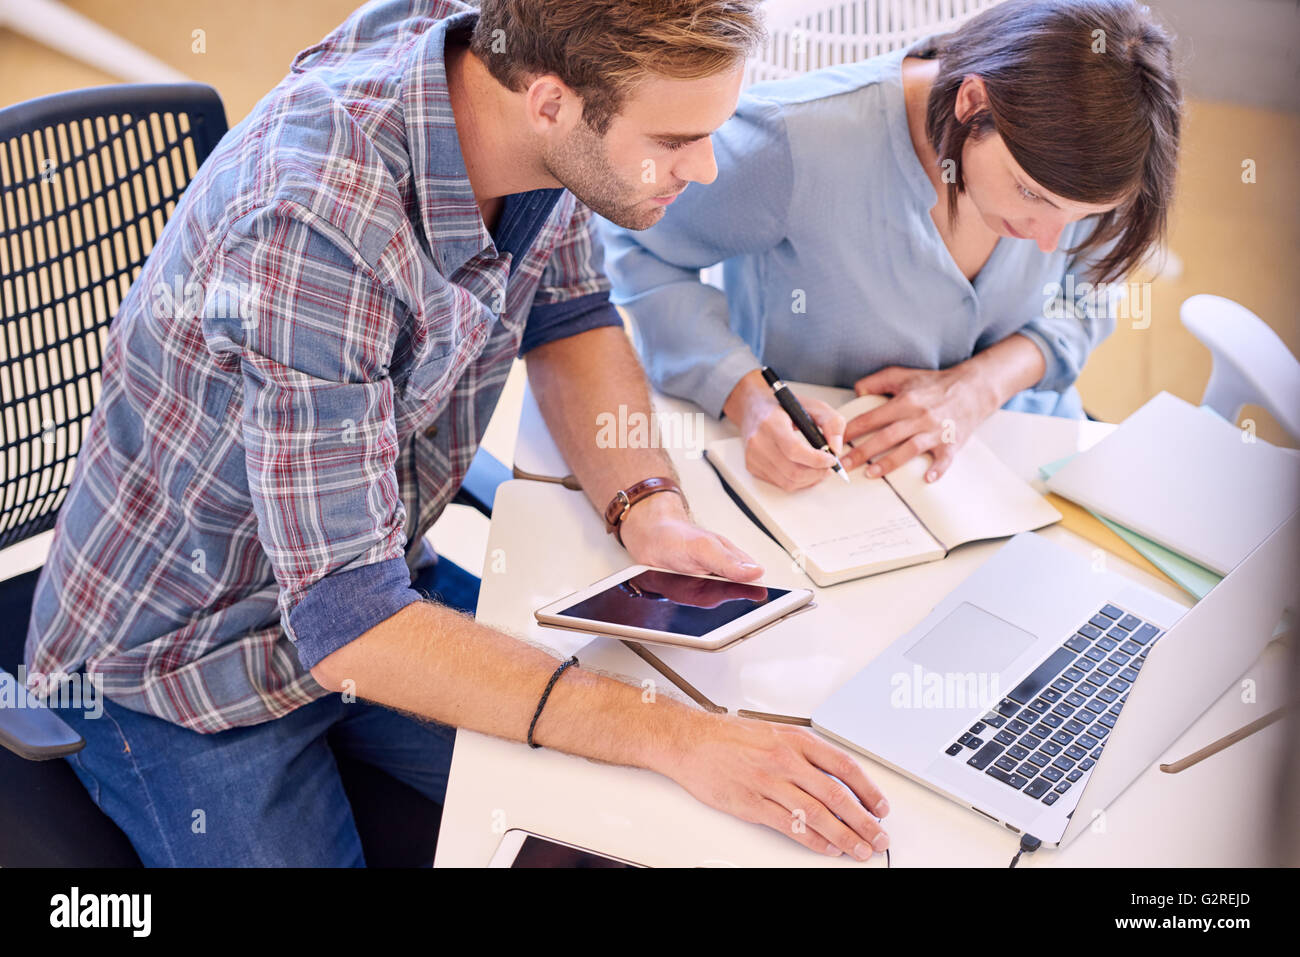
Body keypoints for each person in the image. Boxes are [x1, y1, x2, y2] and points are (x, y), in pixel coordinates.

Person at [24, 0, 892, 865]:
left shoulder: (504, 68)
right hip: (183, 665)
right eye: (671, 142)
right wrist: (671, 736)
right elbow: (349, 624)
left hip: (376, 585)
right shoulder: (312, 227)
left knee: (648, 830)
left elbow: (570, 312)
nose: (703, 169)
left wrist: (647, 507)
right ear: (549, 102)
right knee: (664, 745)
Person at [600, 0, 1182, 491]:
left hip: (1025, 454)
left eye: (1083, 218)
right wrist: (744, 396)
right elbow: (639, 250)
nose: (1050, 239)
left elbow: (1092, 291)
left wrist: (983, 383)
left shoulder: (1093, 165)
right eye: (1032, 195)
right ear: (973, 104)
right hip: (836, 475)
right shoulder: (794, 143)